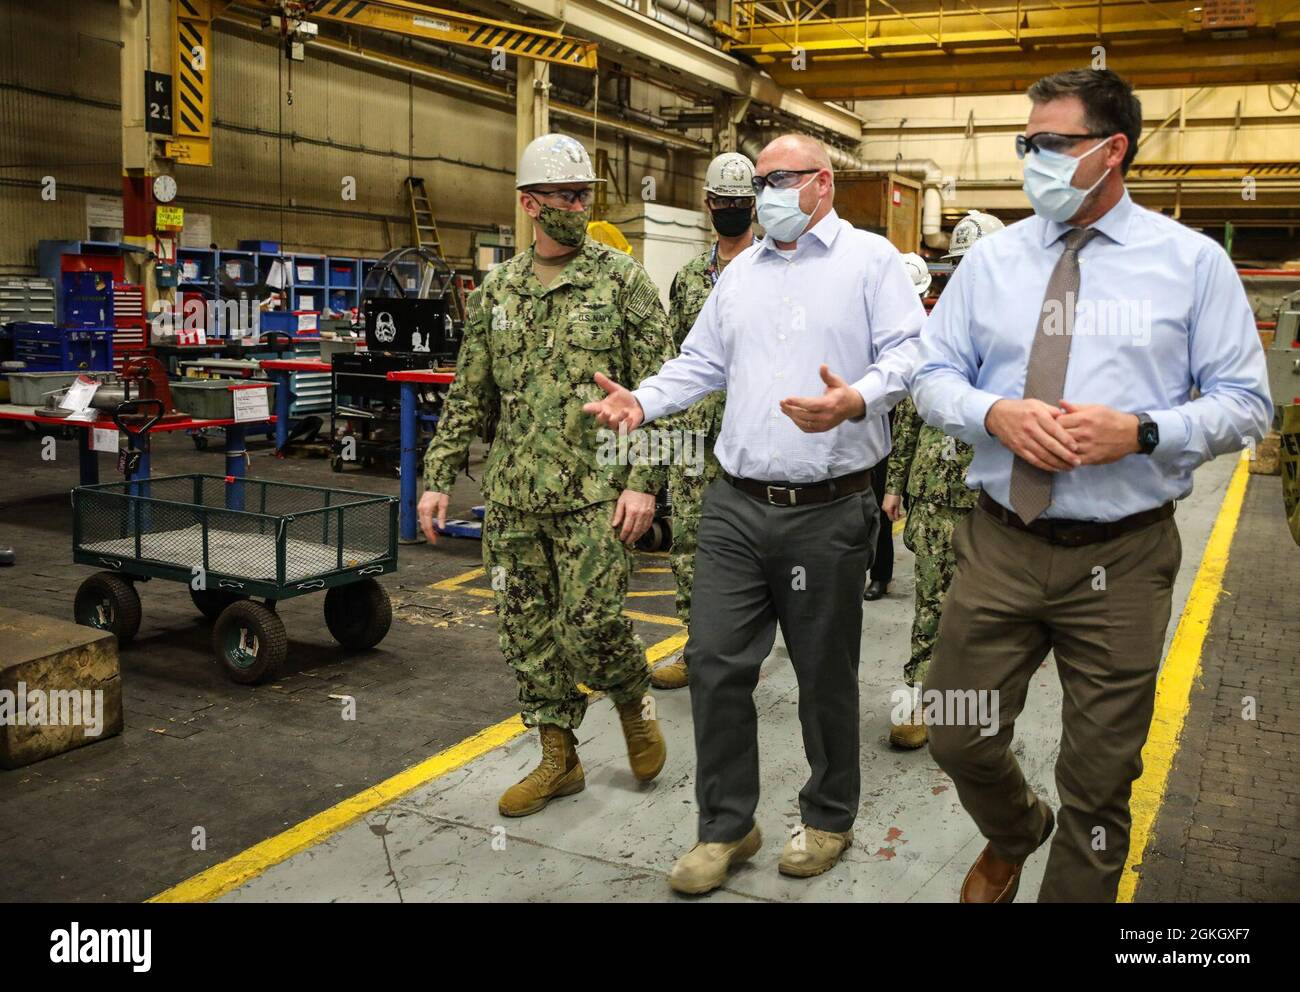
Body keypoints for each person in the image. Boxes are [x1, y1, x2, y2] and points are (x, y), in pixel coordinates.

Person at [911, 69, 1271, 902]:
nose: (1032, 159)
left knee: (1100, 780)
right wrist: (993, 412)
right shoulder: (994, 261)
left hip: (1122, 555)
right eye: (1025, 143)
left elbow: (1246, 404)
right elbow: (931, 375)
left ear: (1113, 152)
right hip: (1000, 540)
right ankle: (1014, 828)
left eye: (1052, 144)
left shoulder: (1192, 265)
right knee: (957, 734)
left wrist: (1142, 431)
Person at [584, 133, 925, 894]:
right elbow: (701, 363)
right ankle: (727, 826)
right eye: (758, 180)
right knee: (713, 664)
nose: (762, 192)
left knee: (822, 676)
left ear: (822, 185)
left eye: (777, 179)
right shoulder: (739, 276)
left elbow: (912, 355)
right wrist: (642, 400)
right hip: (736, 505)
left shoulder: (869, 263)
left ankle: (829, 814)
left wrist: (856, 398)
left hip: (828, 510)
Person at [418, 133, 672, 818]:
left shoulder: (622, 282)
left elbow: (665, 388)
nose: (577, 206)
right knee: (527, 633)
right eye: (564, 195)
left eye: (584, 194)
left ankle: (630, 696)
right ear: (530, 203)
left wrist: (643, 482)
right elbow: (470, 393)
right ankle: (559, 759)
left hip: (594, 494)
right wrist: (439, 475)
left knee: (589, 626)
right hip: (512, 498)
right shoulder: (495, 292)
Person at [882, 226, 1002, 750]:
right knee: (931, 602)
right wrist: (895, 485)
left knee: (991, 613)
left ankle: (975, 707)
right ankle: (917, 695)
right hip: (932, 494)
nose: (962, 277)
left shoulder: (1022, 337)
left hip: (992, 500)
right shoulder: (936, 333)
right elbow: (909, 413)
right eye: (956, 267)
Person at [651, 151, 757, 691]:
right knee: (690, 546)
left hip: (751, 435)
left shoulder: (771, 270)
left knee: (747, 553)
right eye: (725, 202)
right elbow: (677, 358)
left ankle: (741, 654)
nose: (733, 210)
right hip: (694, 438)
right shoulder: (690, 278)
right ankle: (696, 652)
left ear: (754, 205)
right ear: (709, 204)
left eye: (743, 203)